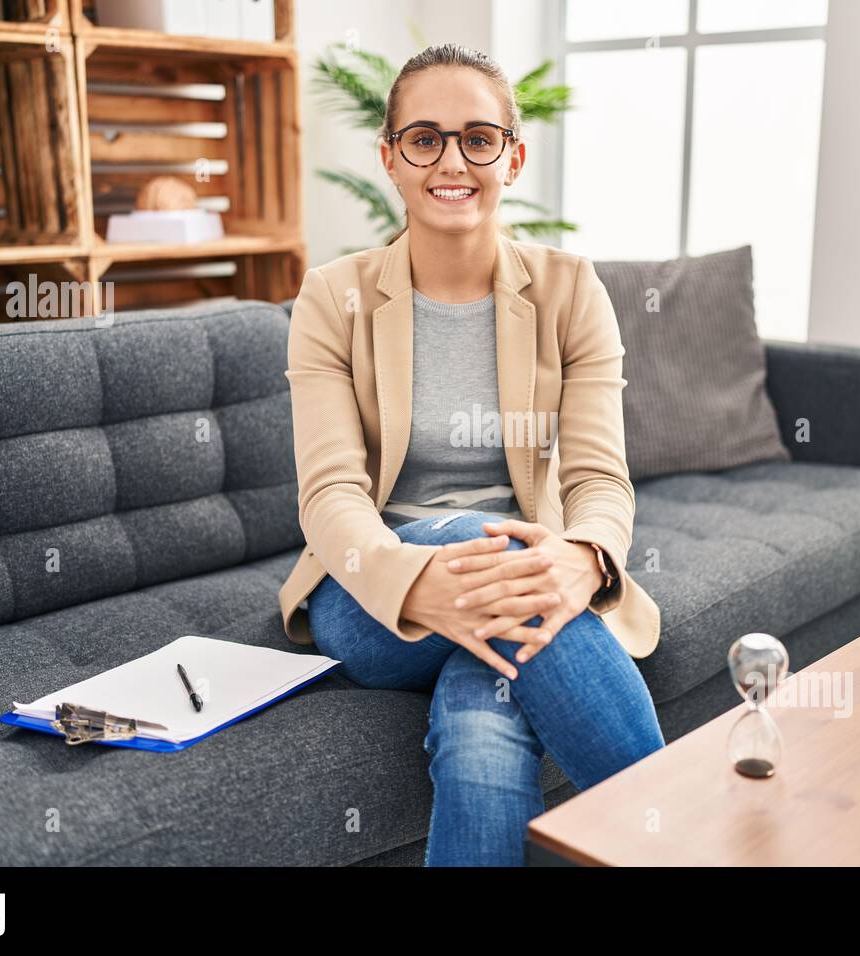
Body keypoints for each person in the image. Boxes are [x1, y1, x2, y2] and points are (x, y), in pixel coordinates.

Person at [278, 43, 664, 866]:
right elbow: (332, 497)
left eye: (478, 138)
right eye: (424, 139)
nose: (452, 161)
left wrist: (586, 559)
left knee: (482, 733)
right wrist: (419, 577)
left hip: (531, 583)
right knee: (474, 542)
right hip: (370, 589)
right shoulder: (332, 298)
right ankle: (683, 841)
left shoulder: (569, 290)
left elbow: (599, 478)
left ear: (512, 156)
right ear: (391, 158)